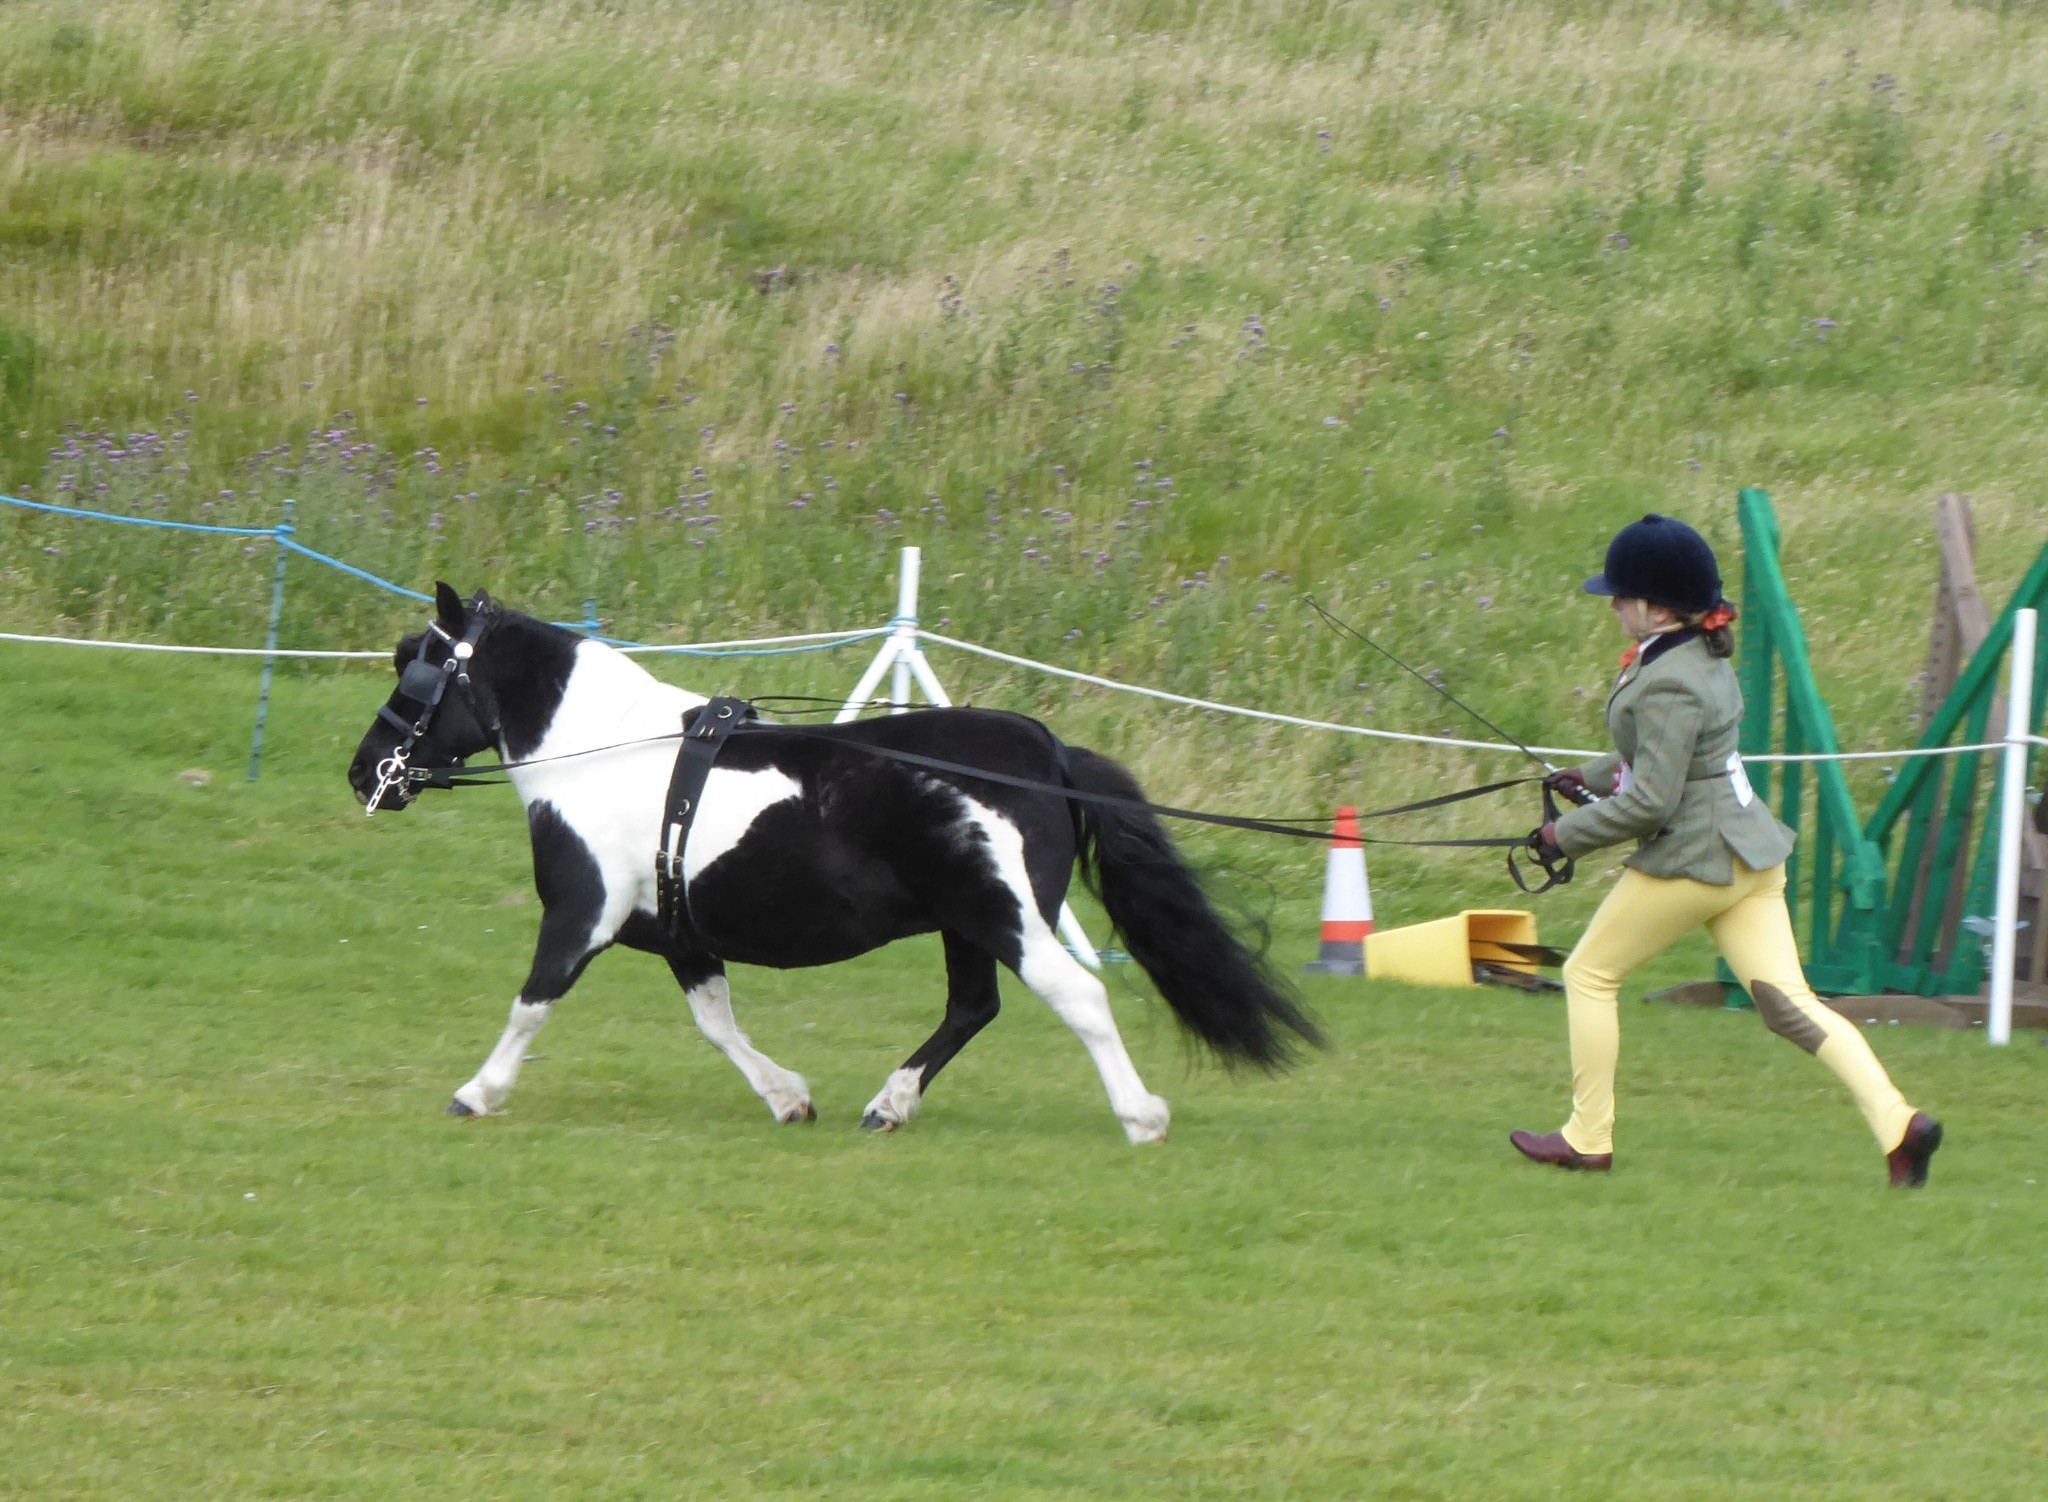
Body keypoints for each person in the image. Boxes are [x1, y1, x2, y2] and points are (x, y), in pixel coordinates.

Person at [1510, 514, 1943, 1187]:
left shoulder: (1668, 679)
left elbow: (1653, 800)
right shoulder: (1692, 659)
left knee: (1589, 975)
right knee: (1790, 1004)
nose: (1615, 605)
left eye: (1622, 596)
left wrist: (1561, 835)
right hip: (1748, 855)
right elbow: (1667, 757)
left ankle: (1587, 1138)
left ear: (1658, 609)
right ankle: (1900, 1125)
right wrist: (1590, 779)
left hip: (1699, 860)